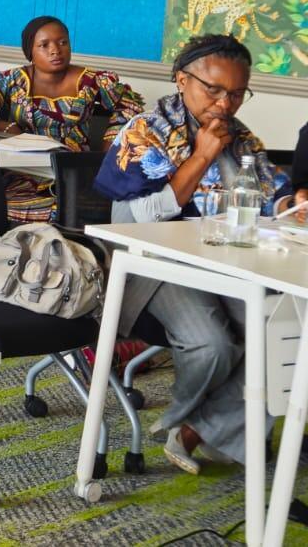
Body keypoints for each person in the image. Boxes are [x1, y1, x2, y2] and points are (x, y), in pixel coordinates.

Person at [95, 34, 294, 474]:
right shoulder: (145, 132)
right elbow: (138, 217)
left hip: (229, 263)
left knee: (287, 332)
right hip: (151, 266)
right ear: (182, 80)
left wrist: (292, 206)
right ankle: (206, 425)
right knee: (213, 344)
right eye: (214, 90)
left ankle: (196, 429)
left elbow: (270, 197)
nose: (226, 103)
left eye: (237, 93)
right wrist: (201, 157)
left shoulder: (242, 139)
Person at [0, 15, 144, 222]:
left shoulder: (92, 81)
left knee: (61, 209)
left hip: (73, 175)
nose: (55, 50)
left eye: (63, 43)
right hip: (22, 171)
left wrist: (109, 150)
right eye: (44, 45)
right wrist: (8, 126)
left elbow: (131, 106)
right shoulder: (10, 81)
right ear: (29, 51)